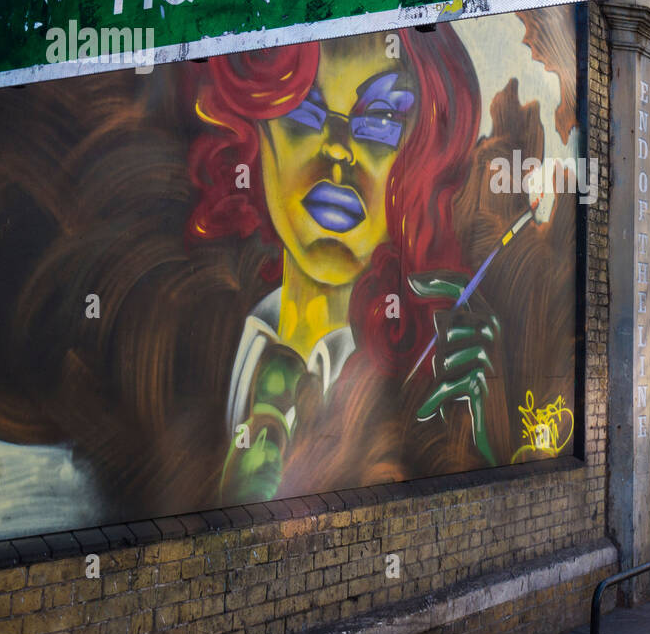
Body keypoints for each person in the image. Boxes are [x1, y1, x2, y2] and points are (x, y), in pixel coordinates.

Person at [187, 27, 509, 503]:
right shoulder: (191, 345)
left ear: (421, 160)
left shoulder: (432, 385)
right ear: (255, 137)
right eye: (302, 110)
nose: (337, 148)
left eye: (380, 119)